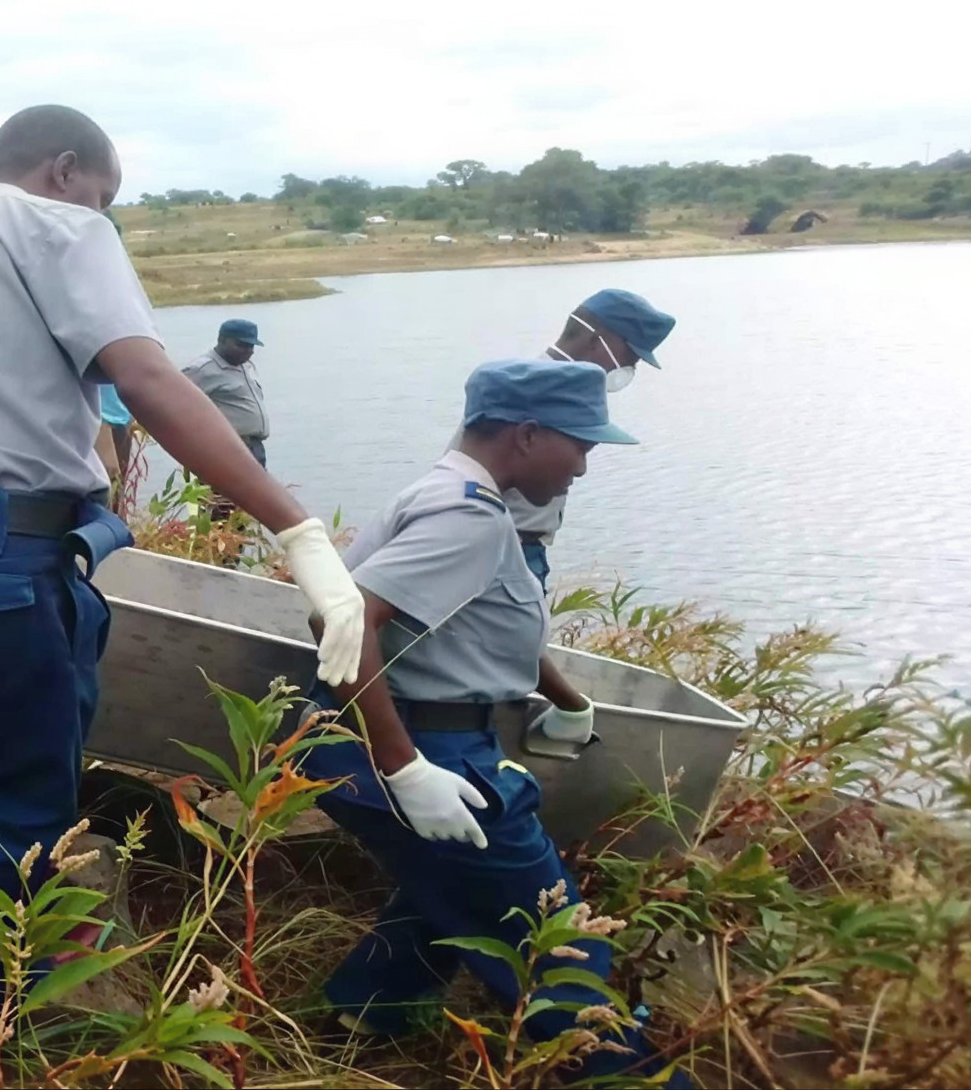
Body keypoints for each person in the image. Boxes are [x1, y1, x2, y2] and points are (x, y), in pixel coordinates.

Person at [0, 104, 364, 1075]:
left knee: (3, 770)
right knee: (12, 806)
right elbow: (146, 379)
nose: (104, 214)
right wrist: (295, 529)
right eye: (104, 194)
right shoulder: (58, 226)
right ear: (62, 170)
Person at [300, 358, 687, 1086]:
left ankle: (372, 1009)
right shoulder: (469, 520)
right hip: (428, 745)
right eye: (581, 446)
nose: (583, 468)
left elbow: (472, 625)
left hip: (419, 736)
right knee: (555, 939)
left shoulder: (441, 493)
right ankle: (623, 1072)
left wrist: (569, 700)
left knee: (453, 879)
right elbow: (342, 623)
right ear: (529, 435)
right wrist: (404, 766)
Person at [500, 289, 675, 588]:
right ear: (596, 340)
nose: (627, 369)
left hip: (524, 547)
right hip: (507, 548)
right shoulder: (537, 387)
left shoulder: (553, 383)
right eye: (628, 358)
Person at [184, 318, 269, 467]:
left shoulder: (243, 367)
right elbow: (173, 404)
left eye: (251, 346)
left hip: (254, 447)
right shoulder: (202, 369)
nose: (248, 351)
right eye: (241, 345)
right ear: (221, 340)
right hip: (228, 449)